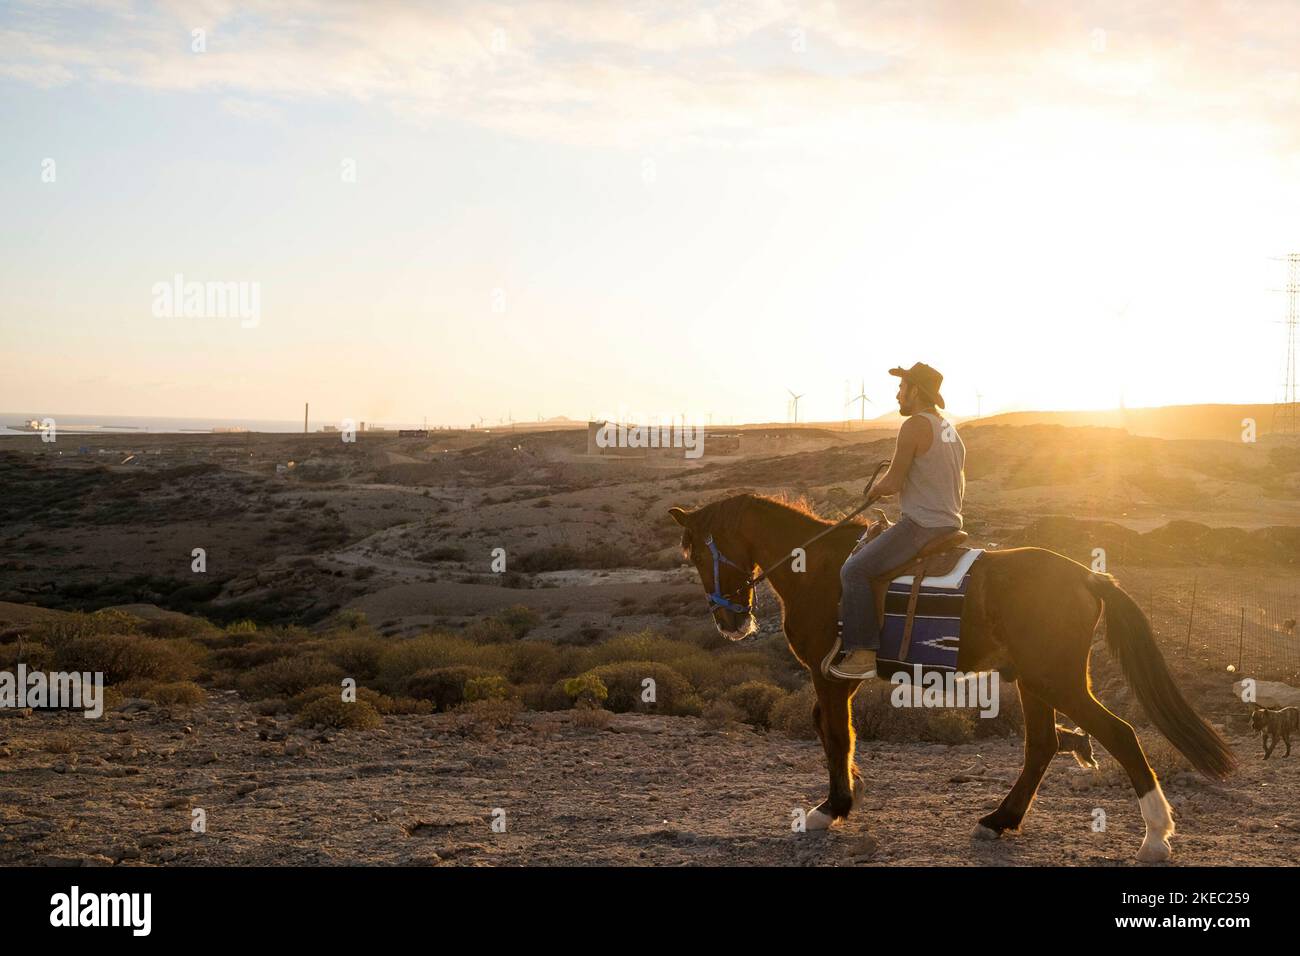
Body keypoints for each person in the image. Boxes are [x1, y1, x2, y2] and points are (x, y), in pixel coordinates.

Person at [824, 362, 966, 680]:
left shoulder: (914, 424)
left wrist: (876, 489)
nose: (897, 394)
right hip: (949, 523)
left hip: (921, 525)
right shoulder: (950, 429)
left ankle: (862, 654)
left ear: (915, 391)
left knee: (854, 570)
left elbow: (894, 482)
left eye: (902, 388)